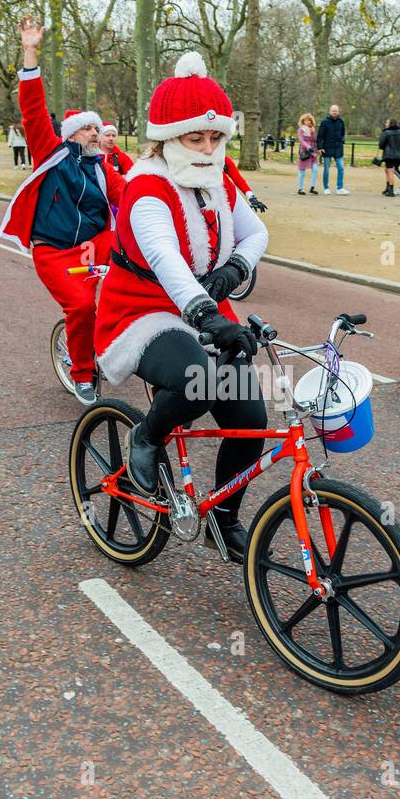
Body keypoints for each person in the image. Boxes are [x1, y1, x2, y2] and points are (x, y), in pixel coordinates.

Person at [93, 52, 269, 561]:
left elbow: (257, 232)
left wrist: (233, 270)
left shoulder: (217, 181)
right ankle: (146, 439)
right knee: (202, 377)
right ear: (168, 137)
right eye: (196, 138)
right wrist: (205, 312)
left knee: (251, 414)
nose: (208, 147)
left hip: (203, 306)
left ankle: (225, 518)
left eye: (216, 138)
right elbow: (165, 260)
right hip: (142, 311)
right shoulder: (147, 188)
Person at [0, 17, 125, 407]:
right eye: (88, 129)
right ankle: (83, 374)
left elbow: (134, 195)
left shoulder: (104, 169)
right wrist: (30, 51)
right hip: (53, 250)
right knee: (82, 305)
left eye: (96, 129)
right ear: (71, 134)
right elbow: (33, 110)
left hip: (94, 245)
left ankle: (131, 342)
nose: (95, 133)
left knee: (143, 265)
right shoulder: (51, 154)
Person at [316, 104, 349, 194]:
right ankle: (326, 188)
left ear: (338, 112)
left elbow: (343, 133)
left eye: (336, 111)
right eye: (333, 110)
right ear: (330, 111)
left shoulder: (341, 122)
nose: (334, 112)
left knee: (341, 168)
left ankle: (340, 188)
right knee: (326, 169)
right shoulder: (324, 122)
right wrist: (320, 147)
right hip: (327, 149)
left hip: (338, 149)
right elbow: (320, 136)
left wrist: (342, 141)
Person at [377, 117, 400, 196]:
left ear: (391, 124)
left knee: (390, 172)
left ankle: (391, 190)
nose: (386, 124)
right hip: (398, 155)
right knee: (388, 171)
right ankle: (387, 188)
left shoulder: (386, 132)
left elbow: (381, 144)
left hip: (389, 155)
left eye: (387, 122)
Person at [295, 112, 317, 193]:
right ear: (303, 121)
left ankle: (312, 187)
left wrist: (319, 149)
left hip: (313, 152)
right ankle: (300, 189)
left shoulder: (313, 130)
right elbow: (301, 140)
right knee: (302, 171)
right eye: (306, 120)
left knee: (315, 169)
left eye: (309, 120)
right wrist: (308, 147)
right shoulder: (300, 130)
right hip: (304, 152)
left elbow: (315, 140)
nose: (308, 122)